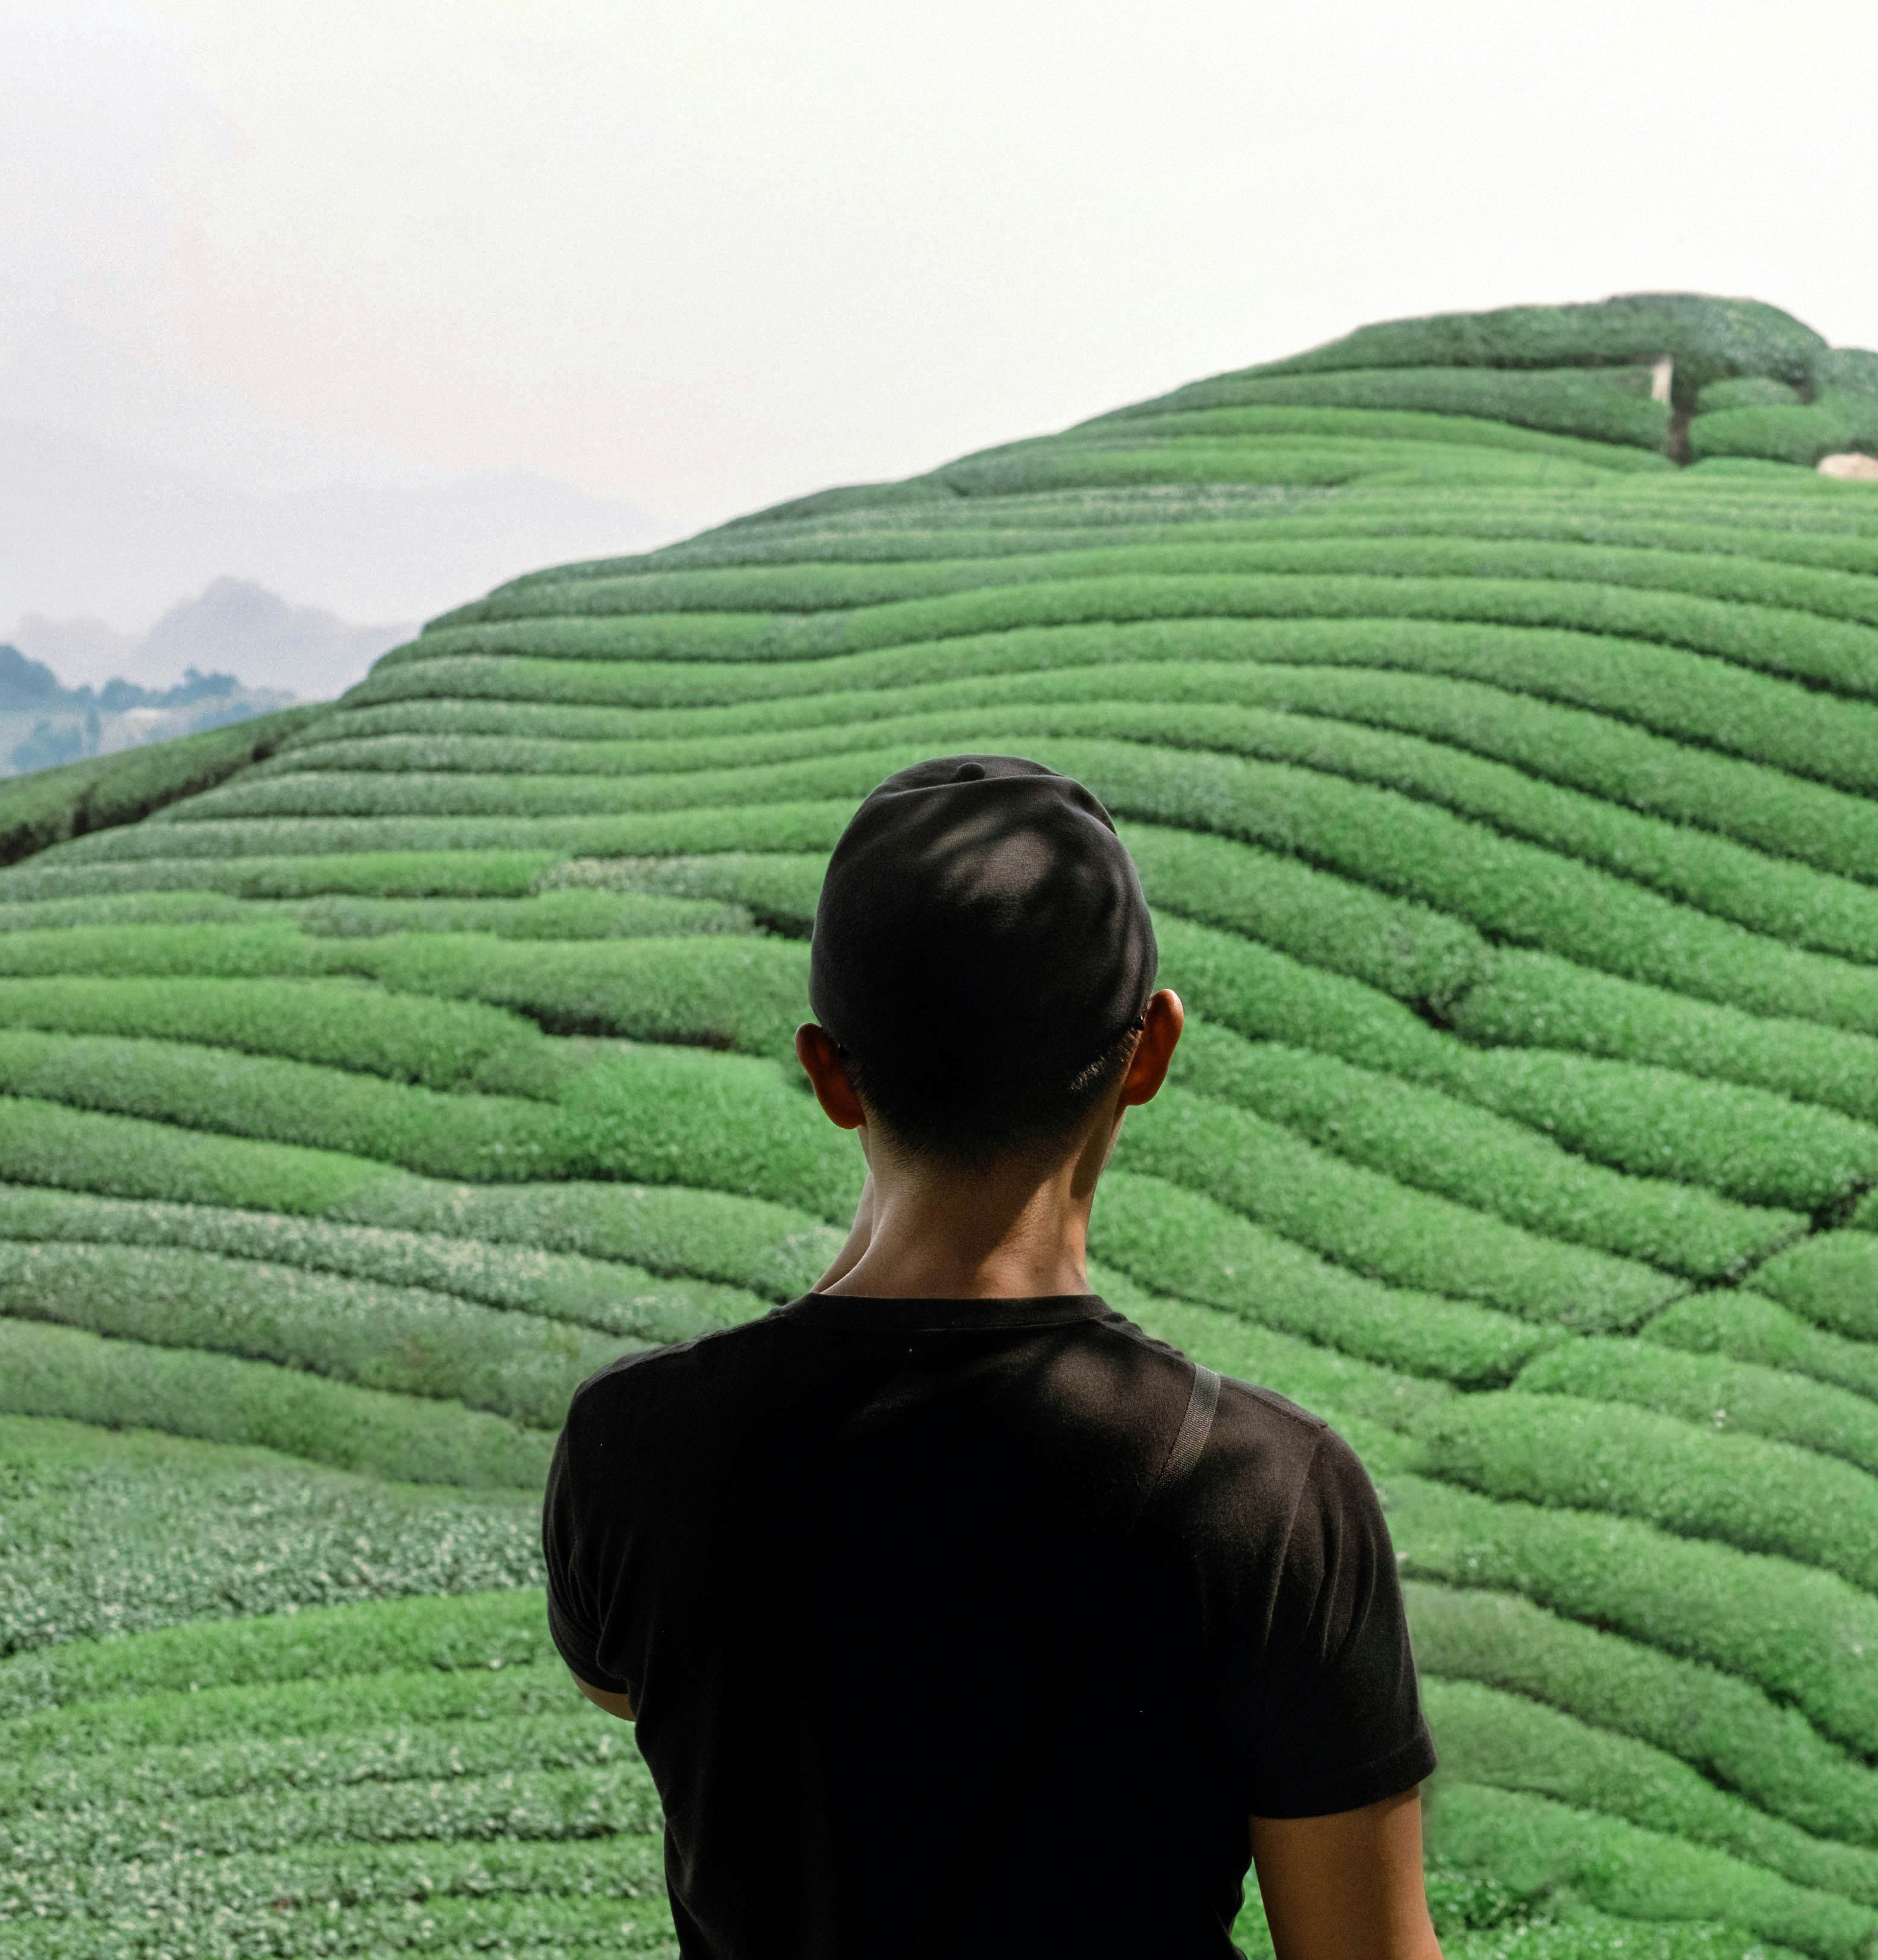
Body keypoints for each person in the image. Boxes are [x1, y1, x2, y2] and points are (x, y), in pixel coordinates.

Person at [544, 755, 1444, 1958]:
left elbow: (635, 1685)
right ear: (1151, 1052)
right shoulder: (1267, 1494)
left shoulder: (638, 1444)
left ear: (828, 1074)